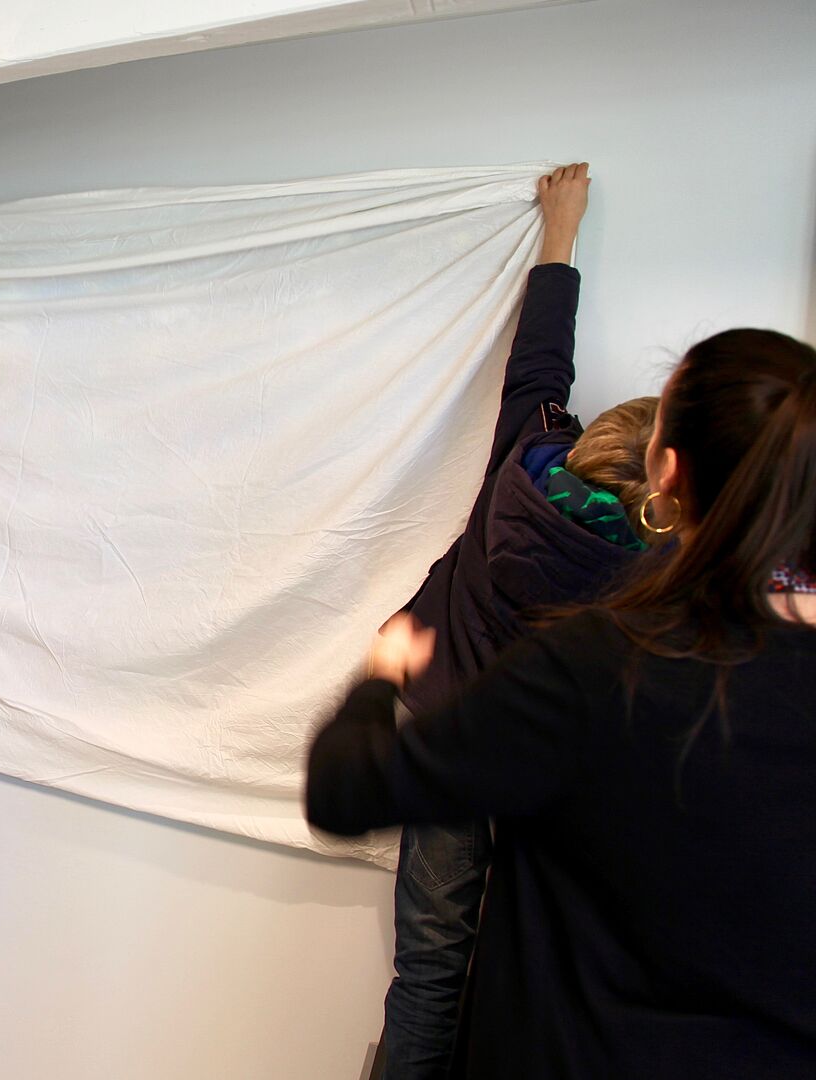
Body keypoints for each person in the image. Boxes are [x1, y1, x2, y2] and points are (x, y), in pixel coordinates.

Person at [307, 327, 816, 1077]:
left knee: (427, 976)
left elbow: (344, 786)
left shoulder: (600, 660)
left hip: (567, 1051)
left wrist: (383, 678)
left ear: (668, 474)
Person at [372, 164, 662, 1077]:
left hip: (447, 730)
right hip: (547, 770)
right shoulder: (651, 575)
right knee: (530, 971)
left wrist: (559, 231)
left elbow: (541, 353)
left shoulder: (524, 452)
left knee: (427, 970)